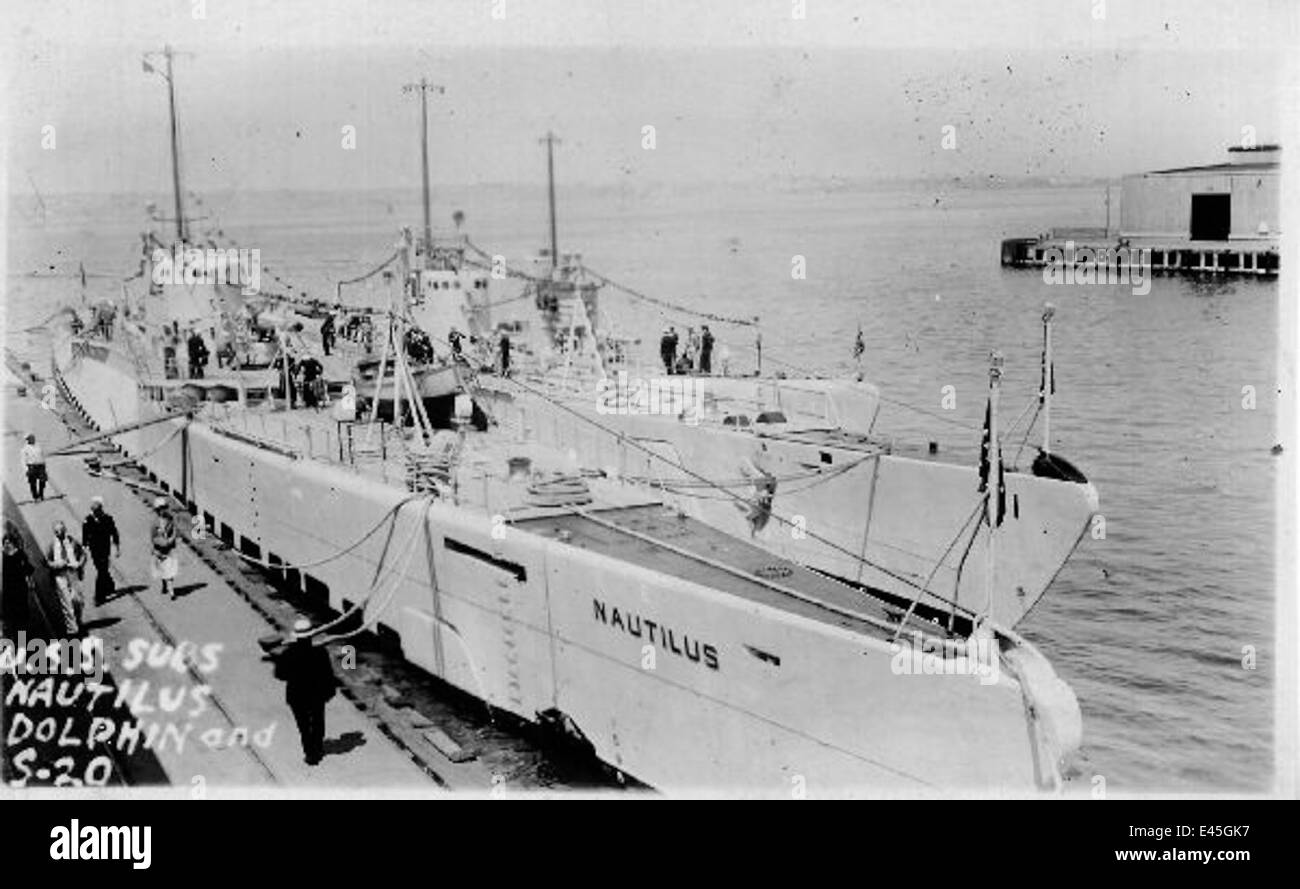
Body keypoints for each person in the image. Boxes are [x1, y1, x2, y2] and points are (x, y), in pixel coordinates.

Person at [274, 618, 338, 766]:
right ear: (311, 636)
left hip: (296, 696)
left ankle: (310, 753)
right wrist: (330, 691)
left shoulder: (288, 653)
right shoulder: (320, 652)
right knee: (317, 722)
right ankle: (317, 748)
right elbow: (328, 674)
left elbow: (280, 675)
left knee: (303, 726)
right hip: (317, 694)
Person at [47, 521, 85, 635]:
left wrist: (79, 563)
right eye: (57, 532)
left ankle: (77, 620)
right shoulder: (52, 545)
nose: (59, 533)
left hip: (72, 573)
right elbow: (47, 561)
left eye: (61, 531)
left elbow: (83, 554)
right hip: (60, 575)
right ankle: (72, 630)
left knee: (78, 601)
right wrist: (55, 565)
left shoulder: (73, 542)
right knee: (66, 602)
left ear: (65, 530)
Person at [82, 496, 121, 606]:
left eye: (96, 512)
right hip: (94, 550)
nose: (94, 514)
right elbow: (85, 534)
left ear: (100, 510)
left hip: (105, 549)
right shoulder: (88, 520)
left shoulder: (108, 519)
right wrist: (84, 547)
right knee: (101, 569)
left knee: (101, 571)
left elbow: (114, 533)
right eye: (93, 511)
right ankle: (110, 585)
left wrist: (117, 548)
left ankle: (99, 596)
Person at [2, 522, 33, 638]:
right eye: (5, 543)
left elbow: (28, 568)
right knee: (10, 613)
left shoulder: (20, 554)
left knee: (22, 613)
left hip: (20, 588)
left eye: (8, 543)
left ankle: (22, 635)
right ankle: (13, 634)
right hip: (8, 590)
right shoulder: (3, 557)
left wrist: (29, 580)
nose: (7, 545)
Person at [150, 498, 179, 600]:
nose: (164, 510)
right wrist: (159, 544)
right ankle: (164, 584)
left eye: (165, 508)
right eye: (161, 509)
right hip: (159, 549)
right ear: (157, 510)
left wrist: (171, 539)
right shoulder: (155, 523)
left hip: (170, 549)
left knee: (170, 570)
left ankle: (172, 592)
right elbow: (153, 537)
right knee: (162, 569)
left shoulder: (170, 519)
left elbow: (175, 530)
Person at [20, 434, 47, 502]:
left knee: (42, 481)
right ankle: (35, 496)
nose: (32, 439)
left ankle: (41, 494)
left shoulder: (38, 446)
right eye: (30, 438)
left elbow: (42, 455)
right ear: (28, 440)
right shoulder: (25, 448)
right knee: (33, 483)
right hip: (32, 466)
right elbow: (23, 460)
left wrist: (44, 464)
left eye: (32, 438)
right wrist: (26, 469)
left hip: (40, 465)